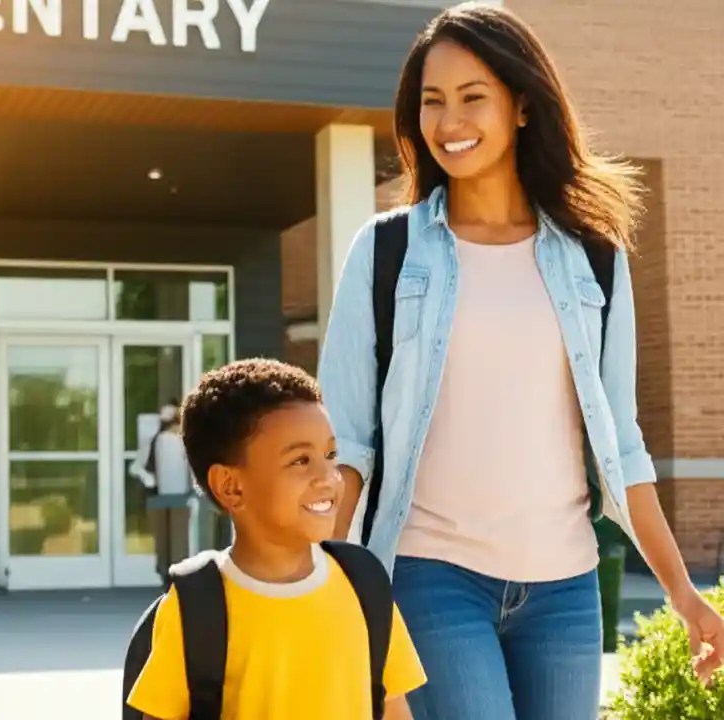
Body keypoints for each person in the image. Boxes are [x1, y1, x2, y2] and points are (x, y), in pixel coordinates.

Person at [318, 4, 724, 719]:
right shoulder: (385, 253)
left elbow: (620, 443)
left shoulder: (593, 259)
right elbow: (346, 444)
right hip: (429, 575)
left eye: (473, 97)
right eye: (432, 102)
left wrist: (682, 592)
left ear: (523, 106)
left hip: (565, 587)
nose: (449, 122)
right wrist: (314, 585)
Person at [126, 359, 425, 719]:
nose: (327, 476)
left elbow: (394, 710)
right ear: (231, 486)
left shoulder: (363, 585)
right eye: (300, 460)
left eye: (330, 455)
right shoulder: (196, 608)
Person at [131, 401, 193, 585]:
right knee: (165, 539)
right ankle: (166, 576)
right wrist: (150, 479)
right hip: (161, 496)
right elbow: (137, 467)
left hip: (179, 497)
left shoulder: (185, 441)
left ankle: (176, 577)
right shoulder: (154, 440)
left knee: (178, 539)